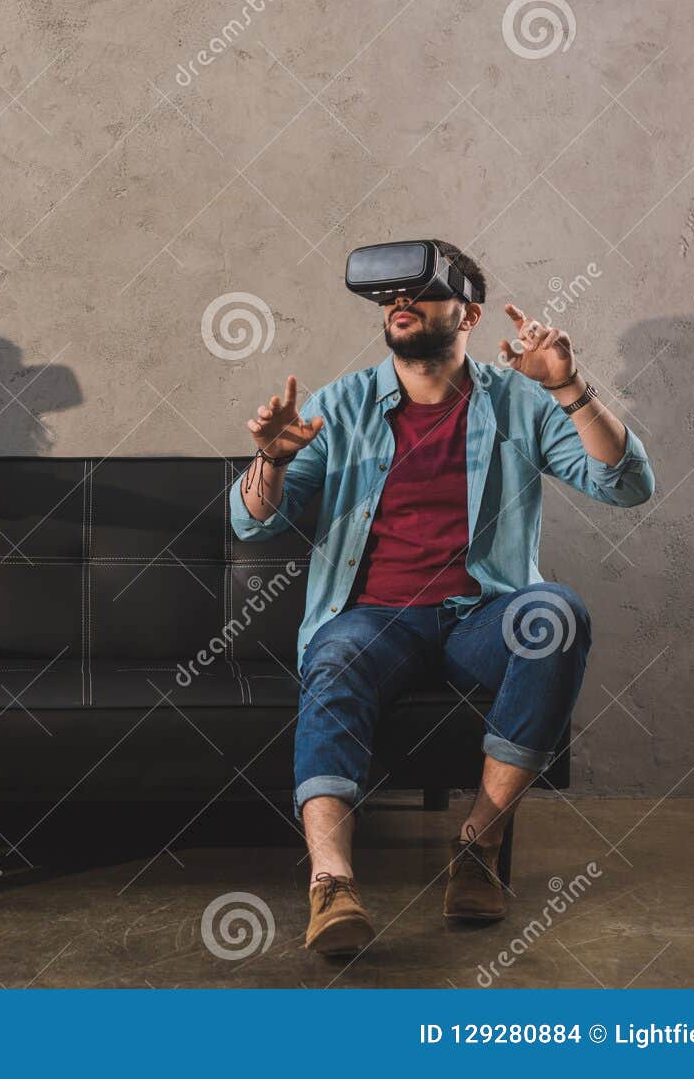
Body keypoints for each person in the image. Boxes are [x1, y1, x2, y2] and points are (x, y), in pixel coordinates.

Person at [231, 241, 654, 956]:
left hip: (480, 616)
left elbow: (626, 484)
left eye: (420, 292)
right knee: (332, 660)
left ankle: (476, 850)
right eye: (389, 296)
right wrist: (272, 458)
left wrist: (569, 387)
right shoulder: (341, 404)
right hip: (369, 620)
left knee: (556, 615)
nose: (400, 304)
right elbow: (252, 520)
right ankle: (331, 885)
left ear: (469, 314)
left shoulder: (519, 399)